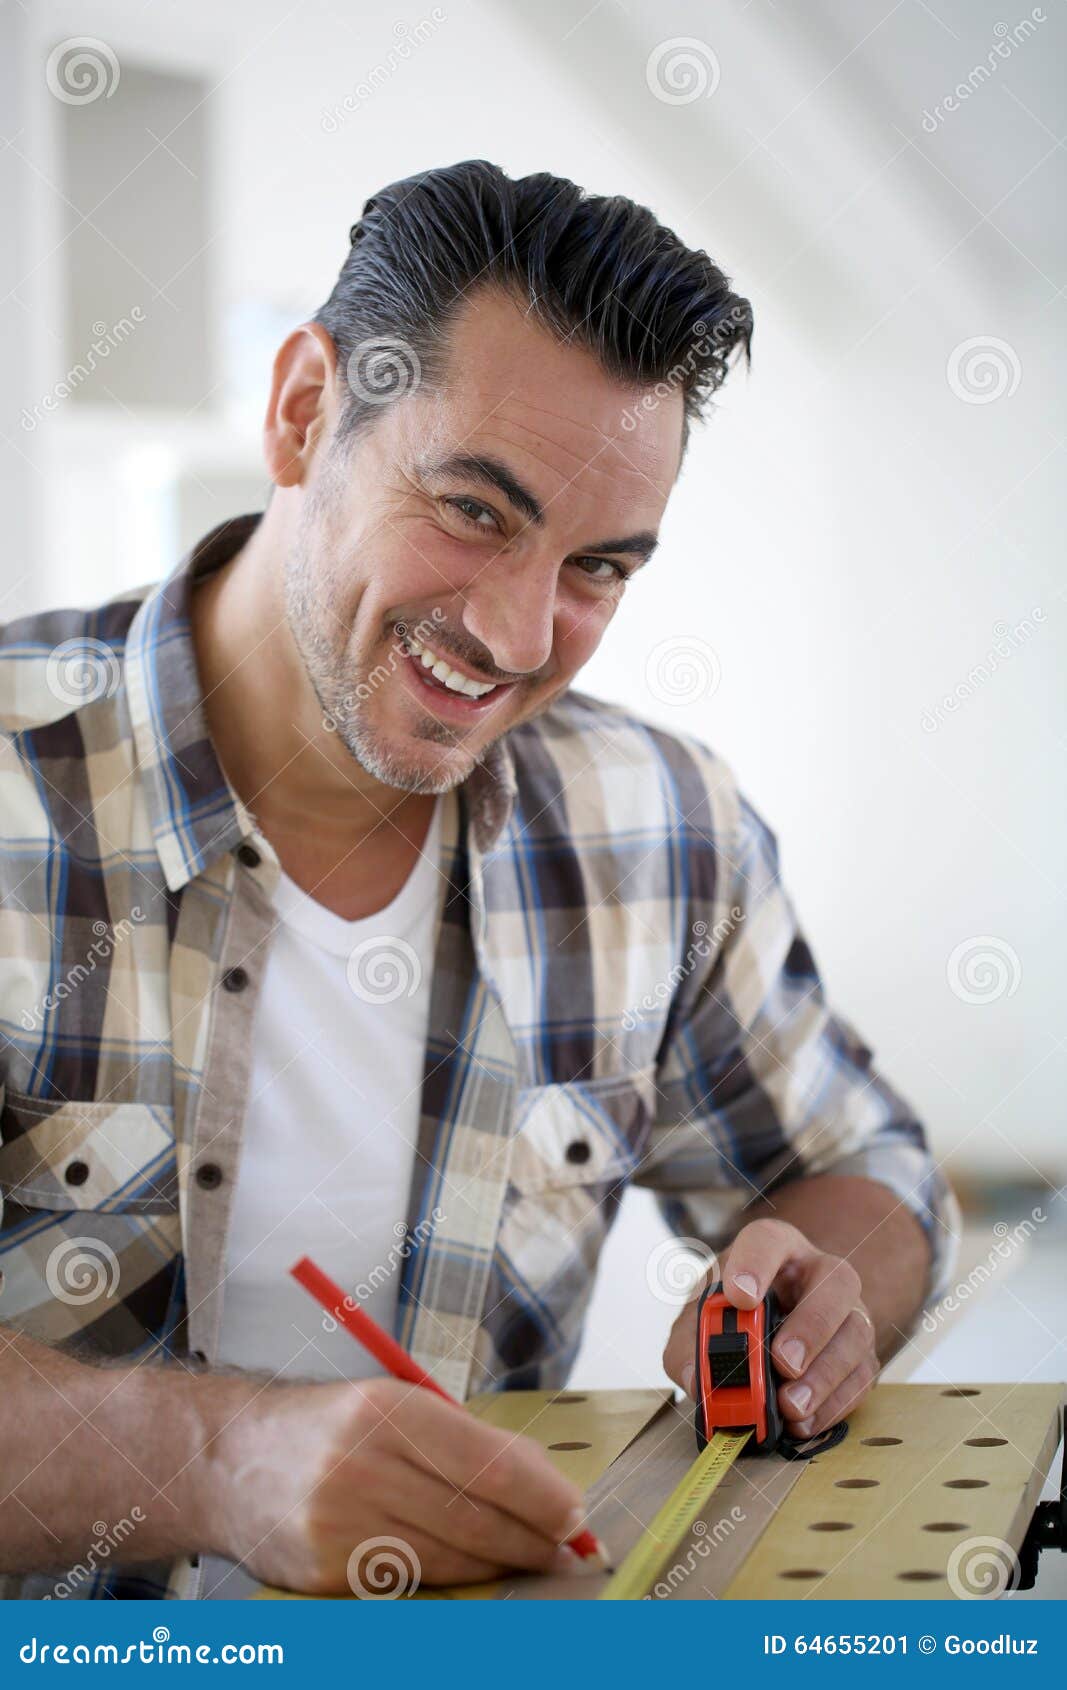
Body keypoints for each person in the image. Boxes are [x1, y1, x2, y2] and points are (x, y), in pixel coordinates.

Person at [0, 159, 957, 1599]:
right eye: (474, 511)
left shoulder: (659, 827)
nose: (517, 634)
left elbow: (867, 1171)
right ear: (304, 412)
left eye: (600, 567)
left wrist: (823, 1290)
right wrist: (215, 1462)